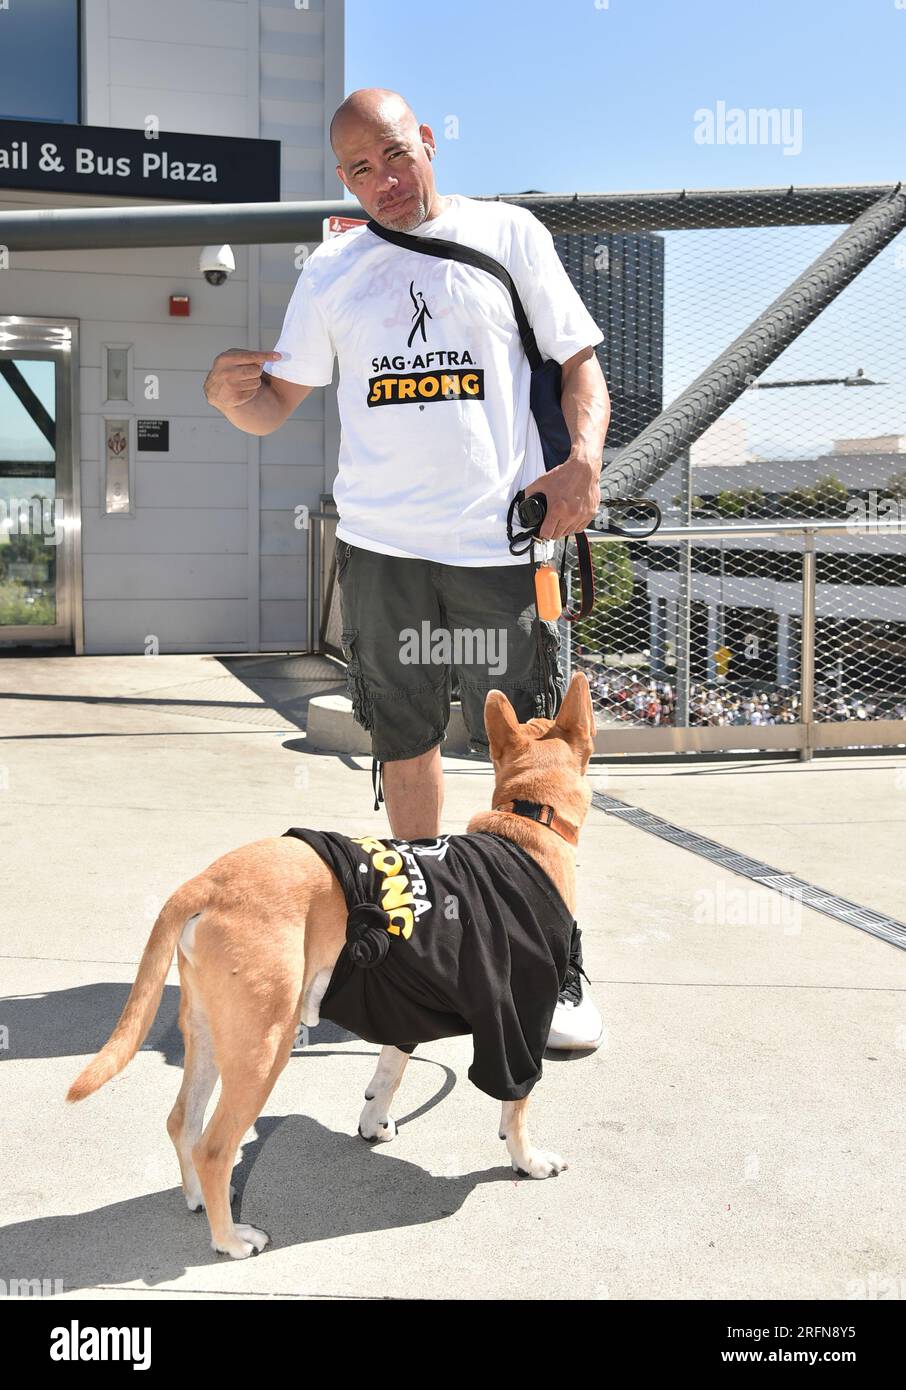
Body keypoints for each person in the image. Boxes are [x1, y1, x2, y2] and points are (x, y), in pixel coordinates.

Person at [203, 88, 610, 1052]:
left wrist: (584, 462)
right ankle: (426, 947)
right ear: (339, 179)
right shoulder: (333, 271)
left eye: (394, 157)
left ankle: (552, 963)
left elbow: (577, 364)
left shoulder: (508, 234)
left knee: (534, 765)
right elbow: (274, 406)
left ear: (427, 142)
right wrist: (228, 399)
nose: (382, 182)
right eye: (358, 170)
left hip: (503, 548)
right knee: (406, 745)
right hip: (383, 550)